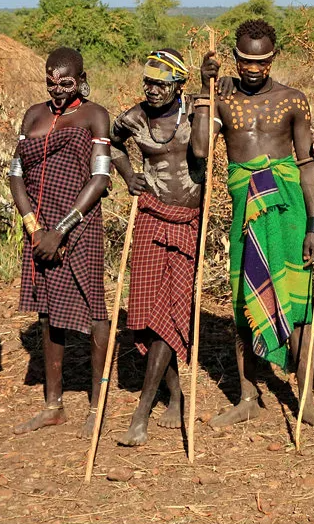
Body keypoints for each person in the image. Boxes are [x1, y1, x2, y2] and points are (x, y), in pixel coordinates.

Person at [201, 19, 314, 429]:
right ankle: (248, 394)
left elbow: (307, 164)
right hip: (246, 214)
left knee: (298, 302)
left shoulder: (293, 100)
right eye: (244, 60)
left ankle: (304, 397)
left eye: (261, 60)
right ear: (235, 58)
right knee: (244, 300)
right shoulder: (221, 98)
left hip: (289, 211)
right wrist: (205, 95)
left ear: (273, 58)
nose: (252, 68)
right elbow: (202, 150)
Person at [10, 47, 113, 438]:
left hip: (79, 224)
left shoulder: (94, 115)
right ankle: (53, 405)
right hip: (38, 227)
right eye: (50, 81)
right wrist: (34, 227)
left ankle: (96, 404)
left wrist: (62, 229)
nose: (57, 89)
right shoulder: (33, 115)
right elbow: (15, 173)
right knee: (48, 310)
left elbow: (99, 179)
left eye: (65, 82)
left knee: (93, 309)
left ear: (81, 78)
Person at [110, 49, 211, 445]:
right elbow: (112, 144)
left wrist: (205, 92)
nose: (151, 90)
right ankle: (173, 395)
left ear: (178, 86)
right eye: (147, 83)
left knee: (173, 307)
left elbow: (202, 151)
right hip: (151, 215)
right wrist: (128, 175)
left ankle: (142, 410)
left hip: (188, 220)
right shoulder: (133, 118)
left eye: (160, 84)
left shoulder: (195, 113)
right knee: (151, 312)